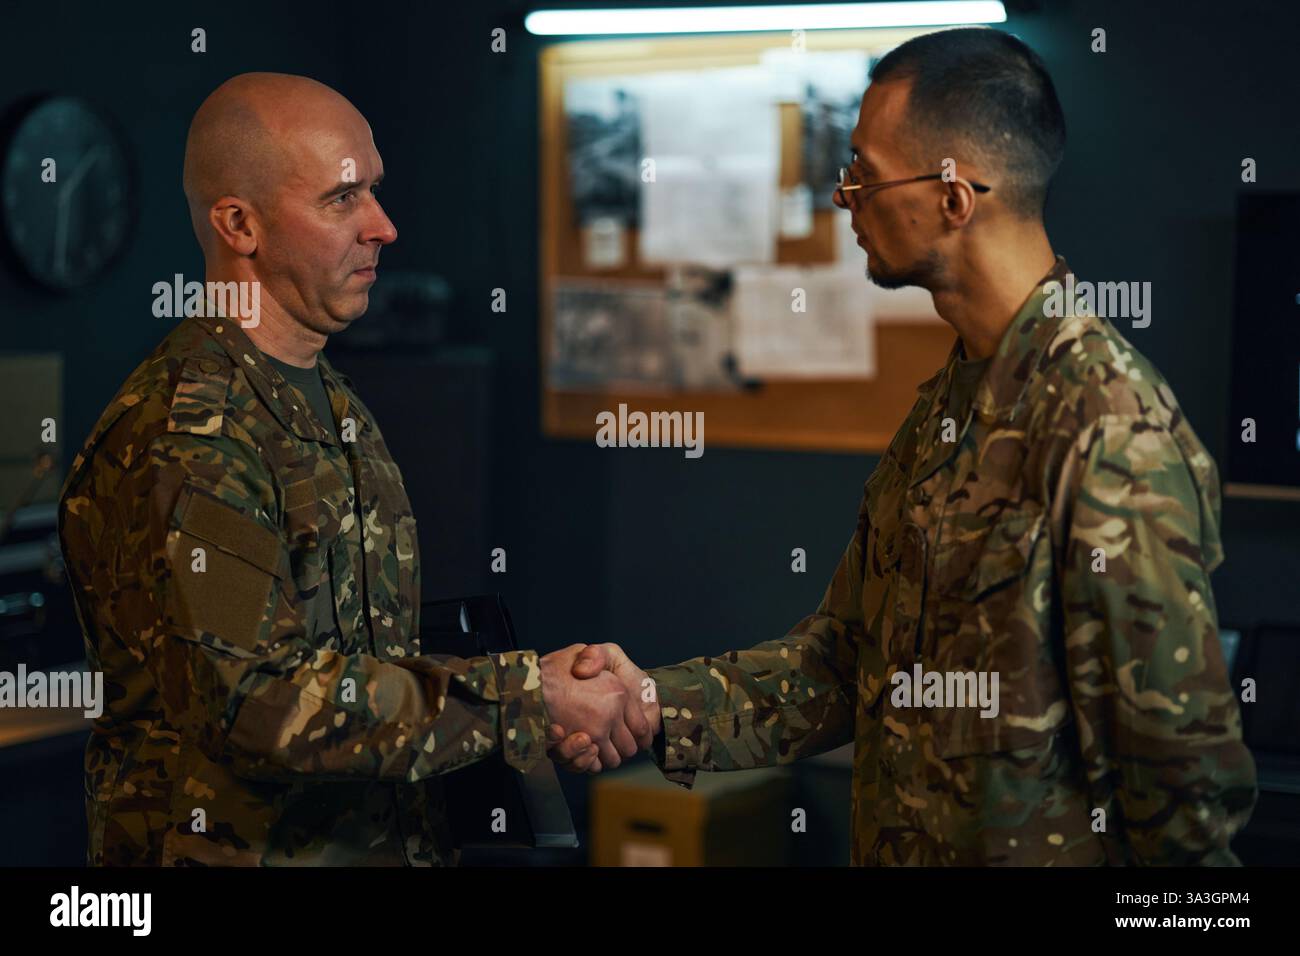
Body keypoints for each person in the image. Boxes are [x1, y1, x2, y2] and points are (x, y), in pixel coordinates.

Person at [549, 28, 1257, 866]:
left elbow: (1182, 788)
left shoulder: (1104, 424)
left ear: (954, 197)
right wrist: (651, 702)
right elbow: (845, 661)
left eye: (865, 172)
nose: (846, 196)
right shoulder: (950, 405)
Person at [58, 72, 649, 866]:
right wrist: (523, 698)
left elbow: (358, 662)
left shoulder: (328, 398)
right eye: (344, 199)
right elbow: (255, 701)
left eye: (375, 191)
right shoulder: (188, 431)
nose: (385, 226)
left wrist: (533, 699)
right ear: (241, 224)